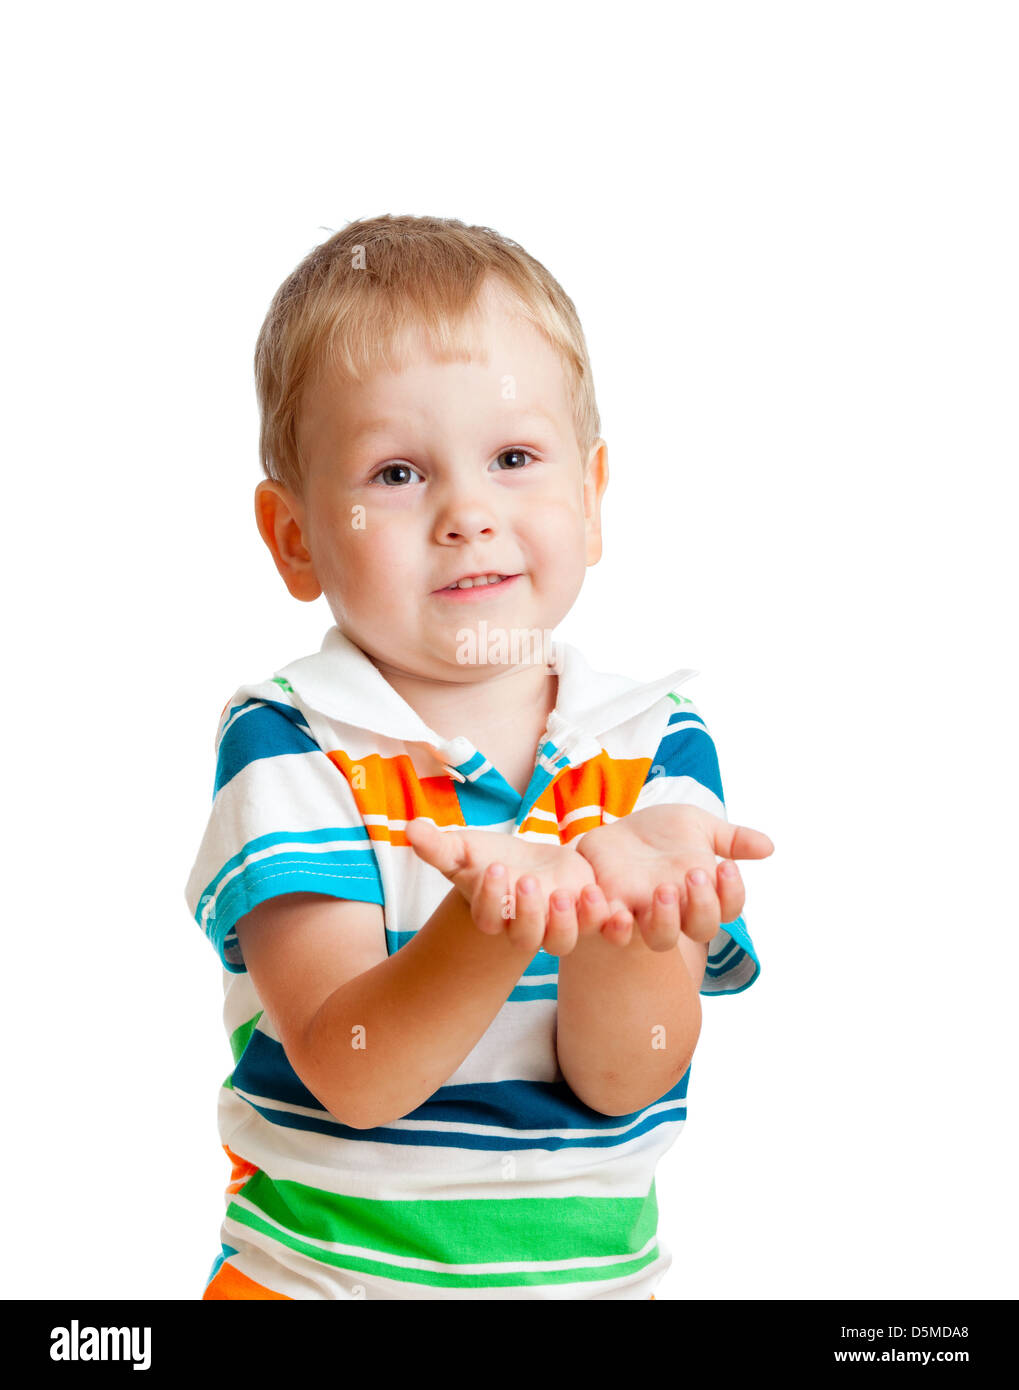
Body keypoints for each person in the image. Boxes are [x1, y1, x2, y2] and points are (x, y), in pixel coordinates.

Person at [184, 213, 774, 1300]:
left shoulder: (652, 743)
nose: (466, 513)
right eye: (398, 472)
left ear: (591, 498)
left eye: (512, 458)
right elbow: (351, 1069)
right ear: (295, 538)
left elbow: (621, 1074)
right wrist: (492, 920)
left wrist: (623, 921)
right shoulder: (291, 737)